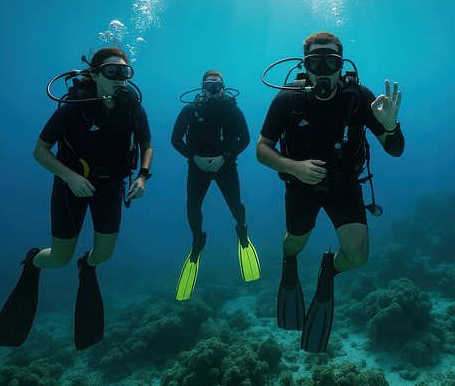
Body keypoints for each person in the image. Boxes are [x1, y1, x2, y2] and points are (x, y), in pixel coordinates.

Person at [0, 47, 152, 351]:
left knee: (103, 256)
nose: (120, 79)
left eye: (125, 72)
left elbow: (147, 144)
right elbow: (39, 150)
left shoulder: (133, 107)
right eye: (112, 72)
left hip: (110, 186)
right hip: (72, 186)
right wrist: (70, 177)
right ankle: (32, 261)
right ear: (94, 73)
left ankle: (87, 264)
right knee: (59, 258)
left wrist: (143, 176)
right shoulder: (73, 106)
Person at [257, 31, 405, 353]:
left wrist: (391, 126)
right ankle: (288, 260)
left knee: (358, 256)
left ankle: (328, 269)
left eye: (331, 62)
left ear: (342, 64)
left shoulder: (359, 98)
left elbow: (395, 150)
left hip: (344, 186)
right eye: (315, 62)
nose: (323, 70)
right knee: (296, 243)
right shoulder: (288, 100)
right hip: (301, 186)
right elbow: (262, 149)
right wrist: (295, 167)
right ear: (304, 65)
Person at [171, 70, 258, 301]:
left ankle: (242, 232)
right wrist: (194, 157)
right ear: (202, 88)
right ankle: (198, 240)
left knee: (235, 205)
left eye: (216, 86)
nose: (212, 90)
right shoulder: (190, 110)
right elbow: (175, 139)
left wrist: (225, 157)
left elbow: (246, 139)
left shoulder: (232, 109)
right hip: (197, 166)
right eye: (209, 86)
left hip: (225, 166)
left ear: (223, 87)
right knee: (193, 207)